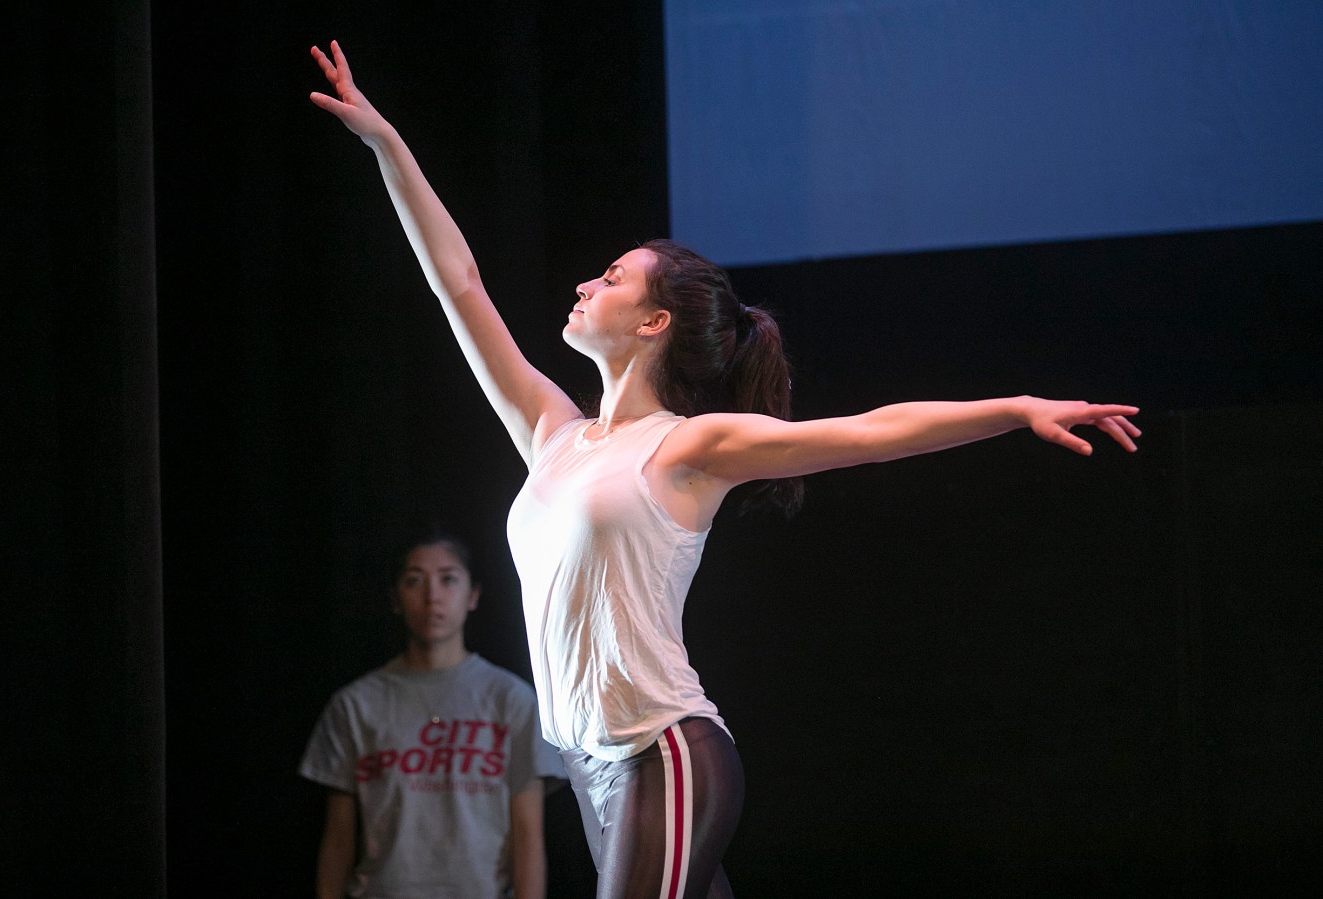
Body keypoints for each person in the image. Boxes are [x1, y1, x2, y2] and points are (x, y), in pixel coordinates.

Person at [308, 40, 1142, 899]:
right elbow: (461, 286)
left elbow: (867, 432)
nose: (586, 285)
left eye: (612, 277)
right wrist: (386, 143)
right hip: (595, 771)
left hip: (663, 753)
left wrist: (1015, 408)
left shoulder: (688, 447)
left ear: (653, 323)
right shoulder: (552, 433)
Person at [299, 529, 565, 899]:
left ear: (472, 595)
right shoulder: (355, 705)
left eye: (448, 579)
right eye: (414, 580)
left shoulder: (512, 701)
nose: (432, 596)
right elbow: (337, 841)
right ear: (395, 599)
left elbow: (528, 837)